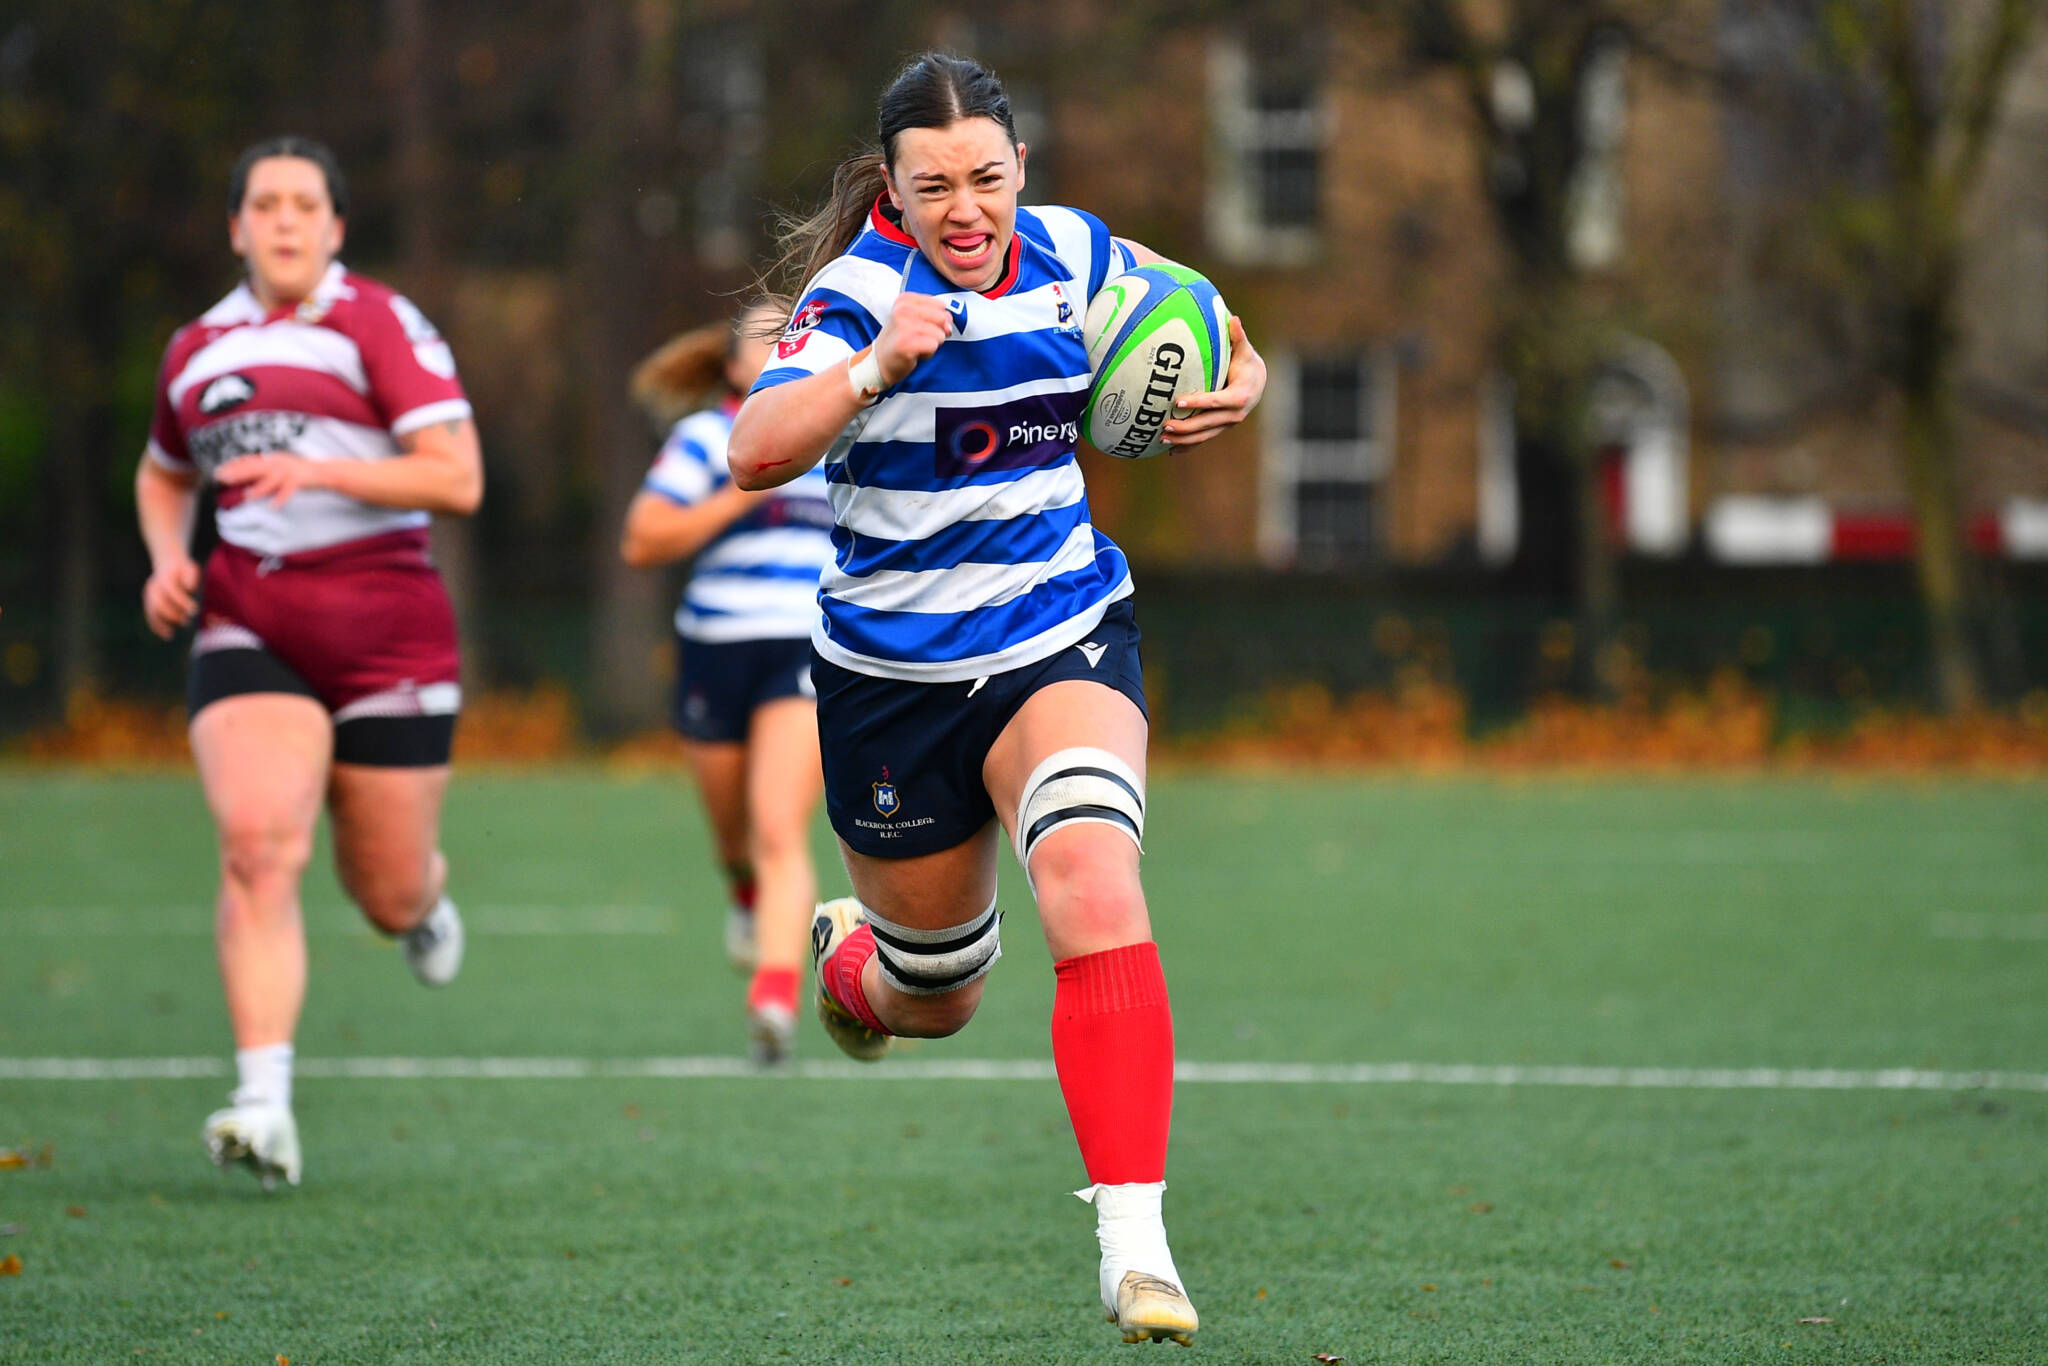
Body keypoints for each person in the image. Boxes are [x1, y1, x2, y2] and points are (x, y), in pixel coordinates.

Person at [727, 53, 1265, 1346]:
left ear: (1021, 165)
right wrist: (871, 372)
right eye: (934, 186)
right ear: (893, 193)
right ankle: (865, 969)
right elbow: (753, 450)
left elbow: (1221, 332)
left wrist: (1238, 382)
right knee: (941, 993)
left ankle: (1136, 1249)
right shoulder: (857, 297)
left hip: (1058, 632)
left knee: (1093, 880)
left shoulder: (1076, 254)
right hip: (892, 686)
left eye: (986, 176)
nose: (966, 208)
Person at [135, 136, 482, 1189]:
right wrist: (165, 560)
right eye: (264, 204)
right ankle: (263, 1100)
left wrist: (317, 465)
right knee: (255, 845)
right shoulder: (195, 348)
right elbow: (162, 474)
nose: (284, 221)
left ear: (334, 227)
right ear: (236, 226)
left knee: (379, 890)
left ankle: (422, 899)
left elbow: (455, 475)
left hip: (388, 634)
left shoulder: (377, 321)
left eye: (304, 205)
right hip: (254, 623)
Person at [620, 303, 834, 1064]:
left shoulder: (840, 438)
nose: (784, 346)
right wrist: (742, 488)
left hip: (805, 651)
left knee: (779, 825)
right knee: (734, 838)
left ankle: (773, 998)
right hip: (716, 647)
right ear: (734, 365)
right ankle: (742, 893)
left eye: (798, 334)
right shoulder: (709, 438)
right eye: (765, 339)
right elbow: (644, 538)